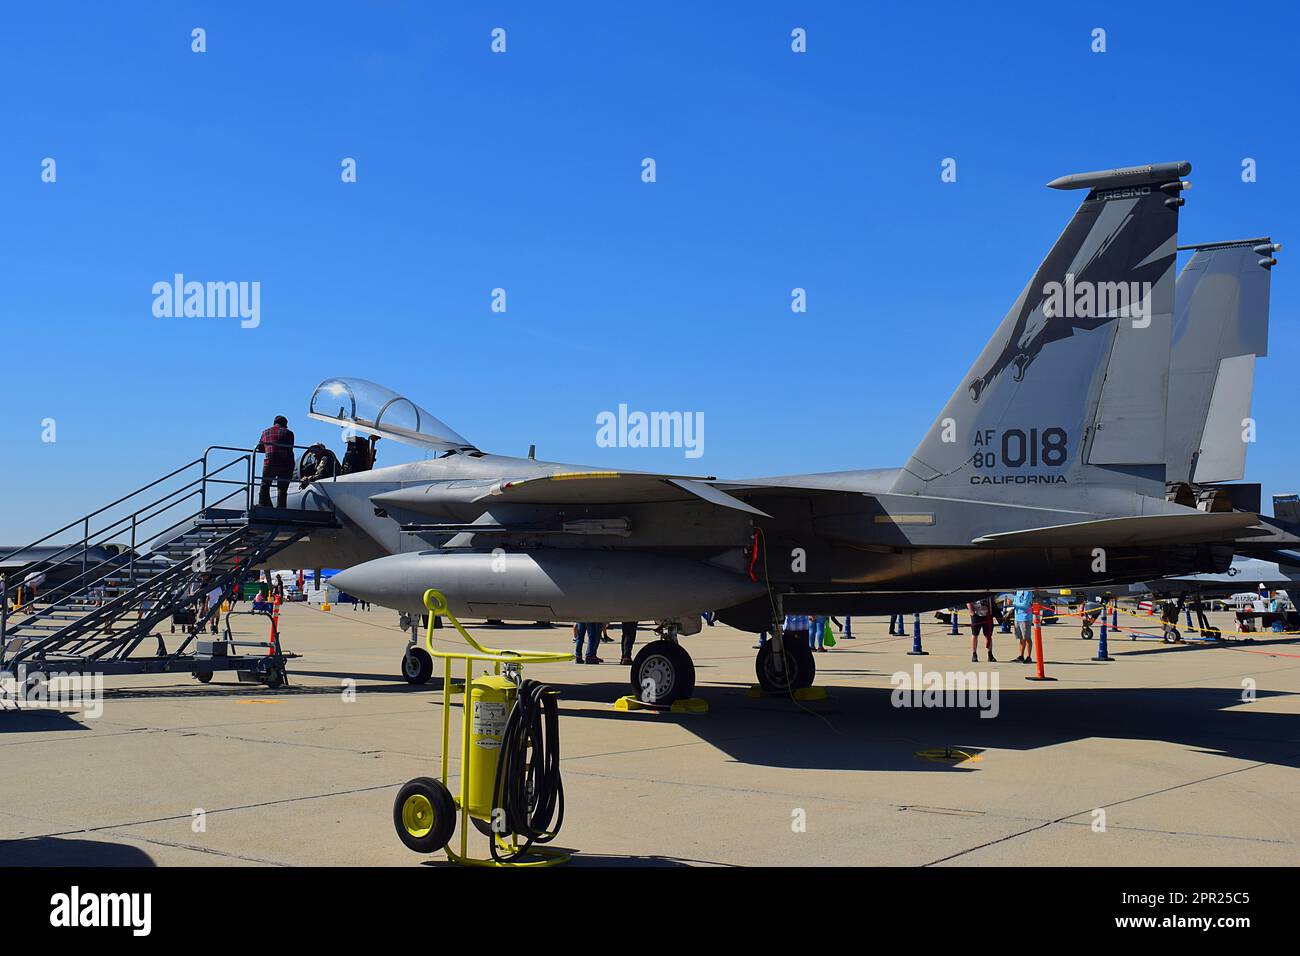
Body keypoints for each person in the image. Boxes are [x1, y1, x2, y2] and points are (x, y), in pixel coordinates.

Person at [256, 415, 296, 508]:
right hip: (285, 463)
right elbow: (290, 447)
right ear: (285, 424)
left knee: (265, 484)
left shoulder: (265, 432)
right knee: (282, 488)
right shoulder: (289, 433)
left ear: (274, 423)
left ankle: (263, 504)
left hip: (270, 462)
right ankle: (281, 507)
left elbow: (260, 448)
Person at [967, 593, 1002, 662]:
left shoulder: (989, 591)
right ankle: (974, 654)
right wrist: (971, 612)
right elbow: (968, 600)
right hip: (976, 615)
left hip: (988, 615)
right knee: (975, 634)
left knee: (988, 635)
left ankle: (990, 654)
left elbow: (993, 600)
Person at [1012, 589, 1034, 662]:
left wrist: (1014, 604)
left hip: (1025, 617)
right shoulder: (1017, 591)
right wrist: (1014, 603)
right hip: (1017, 617)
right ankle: (1021, 656)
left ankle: (1029, 657)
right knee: (1021, 638)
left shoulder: (1028, 591)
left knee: (1027, 637)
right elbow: (1015, 601)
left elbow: (1025, 605)